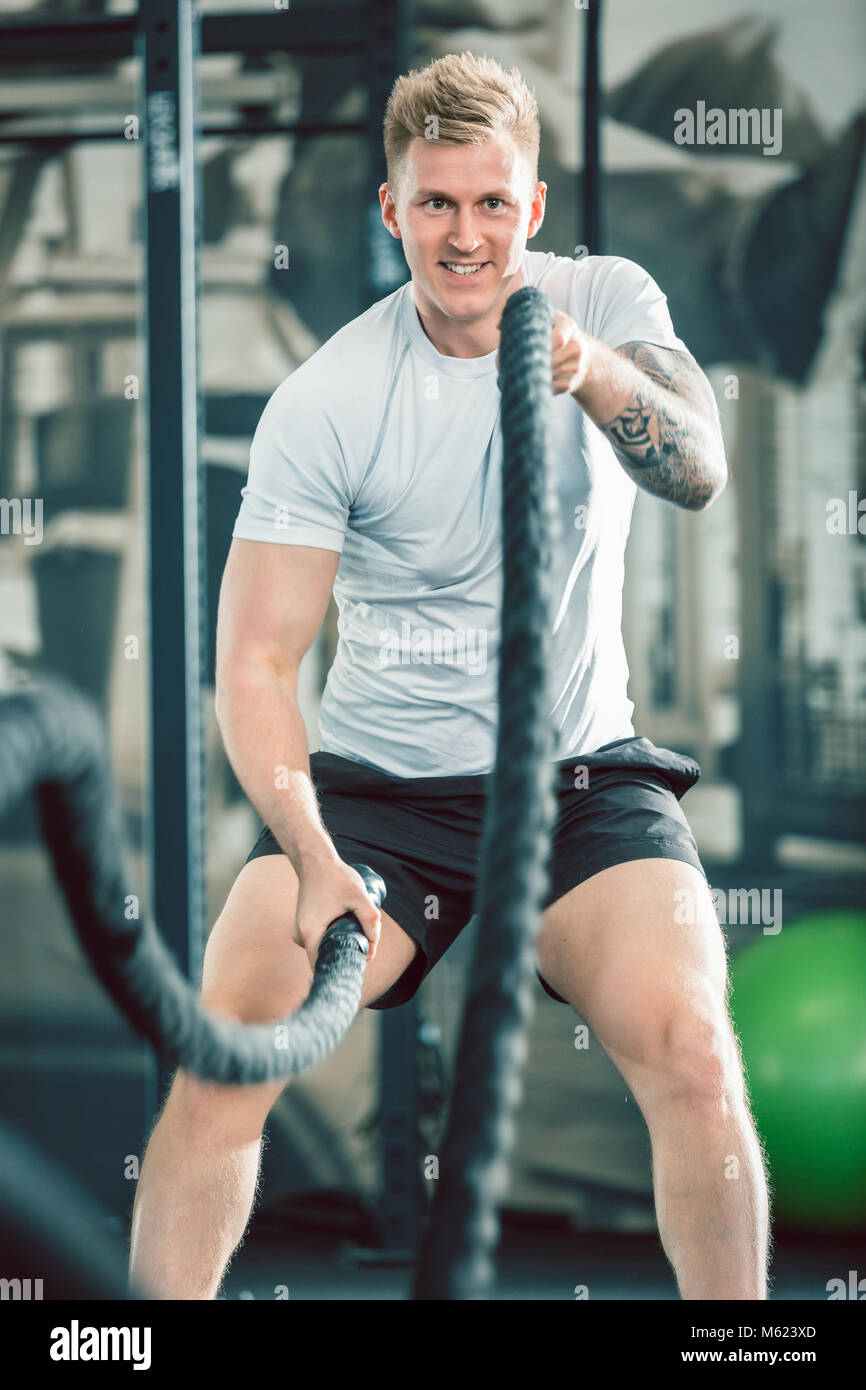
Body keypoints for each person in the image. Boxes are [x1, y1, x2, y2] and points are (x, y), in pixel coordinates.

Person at [129, 51, 770, 1301]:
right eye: (434, 203)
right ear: (391, 212)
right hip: (382, 799)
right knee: (223, 1052)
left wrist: (592, 375)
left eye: (490, 204)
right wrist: (308, 848)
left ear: (530, 209)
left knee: (692, 1046)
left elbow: (697, 466)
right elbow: (257, 660)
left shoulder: (606, 296)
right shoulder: (330, 398)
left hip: (579, 780)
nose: (463, 235)